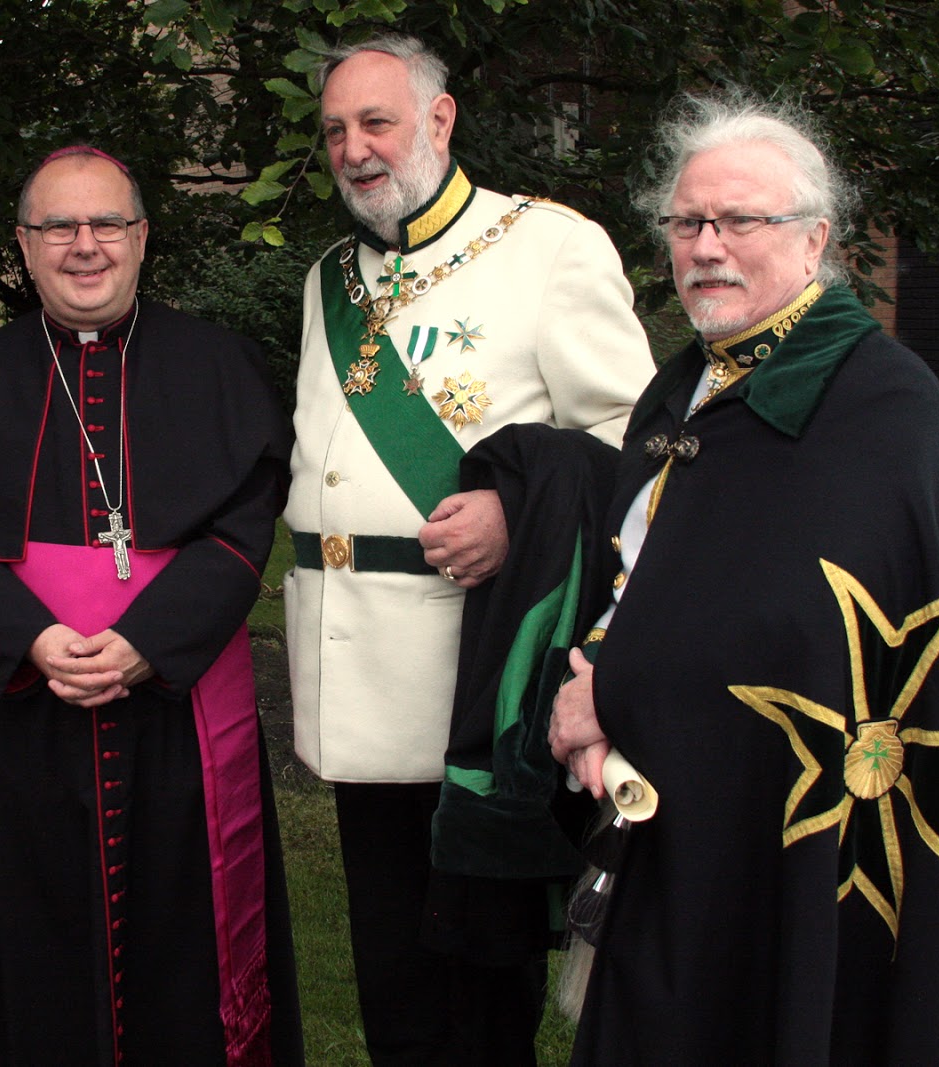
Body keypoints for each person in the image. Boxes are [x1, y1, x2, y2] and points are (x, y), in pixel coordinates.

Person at [547, 93, 939, 1064]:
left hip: (797, 825)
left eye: (739, 221)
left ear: (814, 242)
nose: (706, 245)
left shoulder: (880, 405)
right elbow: (643, 569)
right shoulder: (682, 382)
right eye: (686, 222)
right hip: (671, 812)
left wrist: (613, 692)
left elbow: (801, 629)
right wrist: (600, 668)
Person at [284, 33, 654, 1065]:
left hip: (474, 674)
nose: (353, 148)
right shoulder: (328, 279)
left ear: (440, 121)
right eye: (335, 130)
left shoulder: (549, 246)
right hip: (351, 674)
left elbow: (638, 442)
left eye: (377, 121)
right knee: (391, 967)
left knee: (479, 975)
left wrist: (516, 505)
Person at [0, 145, 304, 1066]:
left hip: (177, 713)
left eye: (107, 223)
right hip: (22, 720)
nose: (86, 245)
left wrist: (147, 640)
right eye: (59, 227)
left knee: (186, 948)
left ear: (143, 237)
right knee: (28, 946)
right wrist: (34, 639)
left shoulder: (220, 364)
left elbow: (245, 524)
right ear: (26, 246)